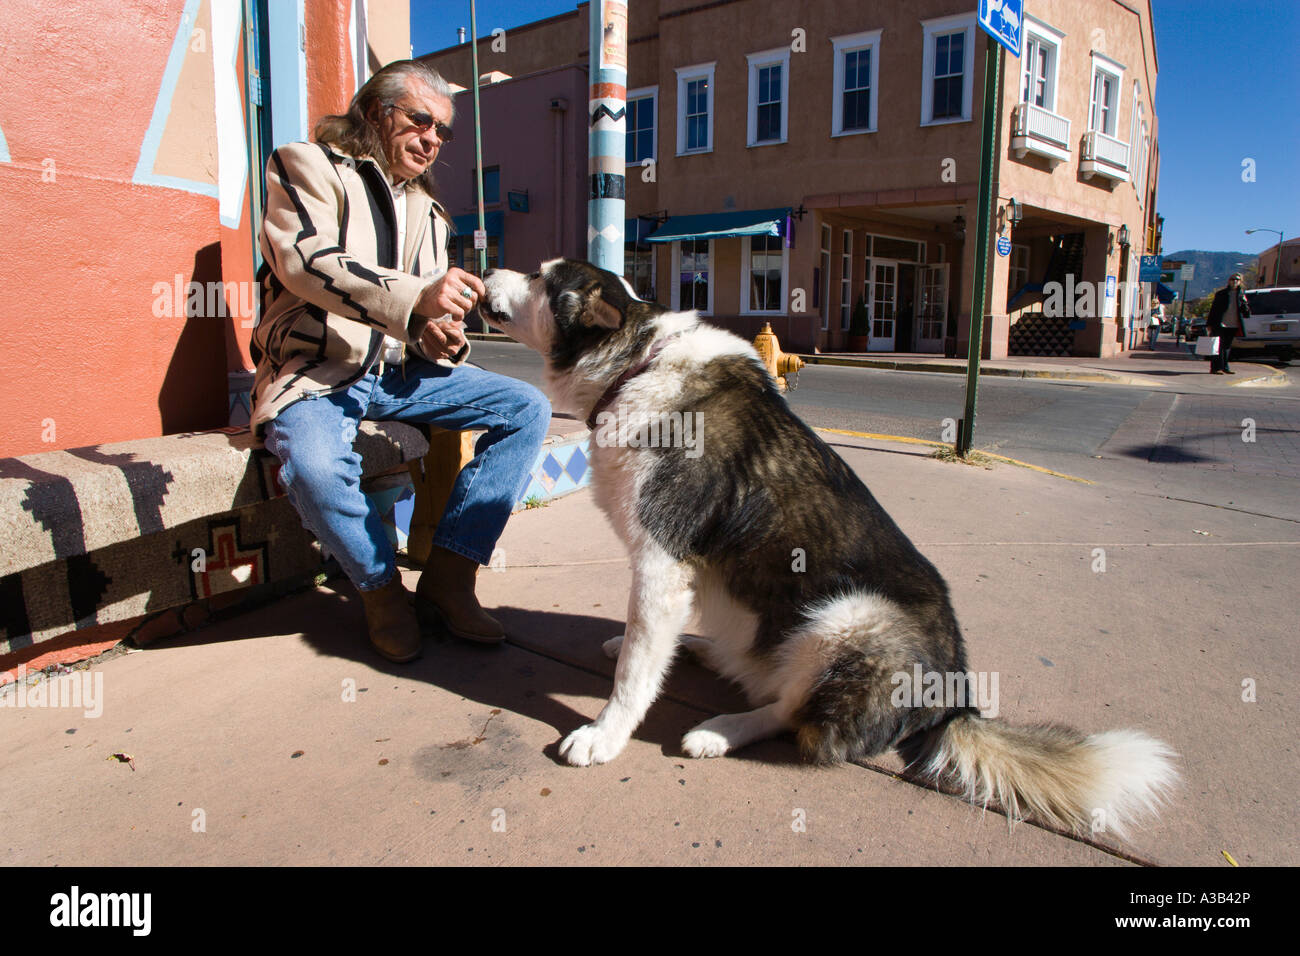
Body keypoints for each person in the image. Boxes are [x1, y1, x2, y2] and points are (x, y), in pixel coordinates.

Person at [249, 60, 551, 663]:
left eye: (442, 130)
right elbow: (307, 262)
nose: (434, 139)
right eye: (421, 120)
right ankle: (381, 590)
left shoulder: (432, 212)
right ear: (376, 111)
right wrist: (416, 300)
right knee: (310, 463)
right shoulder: (304, 164)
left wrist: (440, 338)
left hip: (397, 375)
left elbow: (429, 320)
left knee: (527, 407)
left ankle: (449, 577)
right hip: (319, 368)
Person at [1205, 272, 1251, 374]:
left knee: (1226, 347)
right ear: (1229, 281)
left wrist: (1245, 303)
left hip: (1233, 324)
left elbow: (1247, 313)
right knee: (1218, 347)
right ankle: (1215, 368)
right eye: (1232, 279)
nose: (1234, 281)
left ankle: (1225, 367)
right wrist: (1209, 324)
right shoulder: (1221, 294)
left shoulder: (1241, 295)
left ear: (1240, 282)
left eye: (1237, 280)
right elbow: (1214, 310)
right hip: (1220, 324)